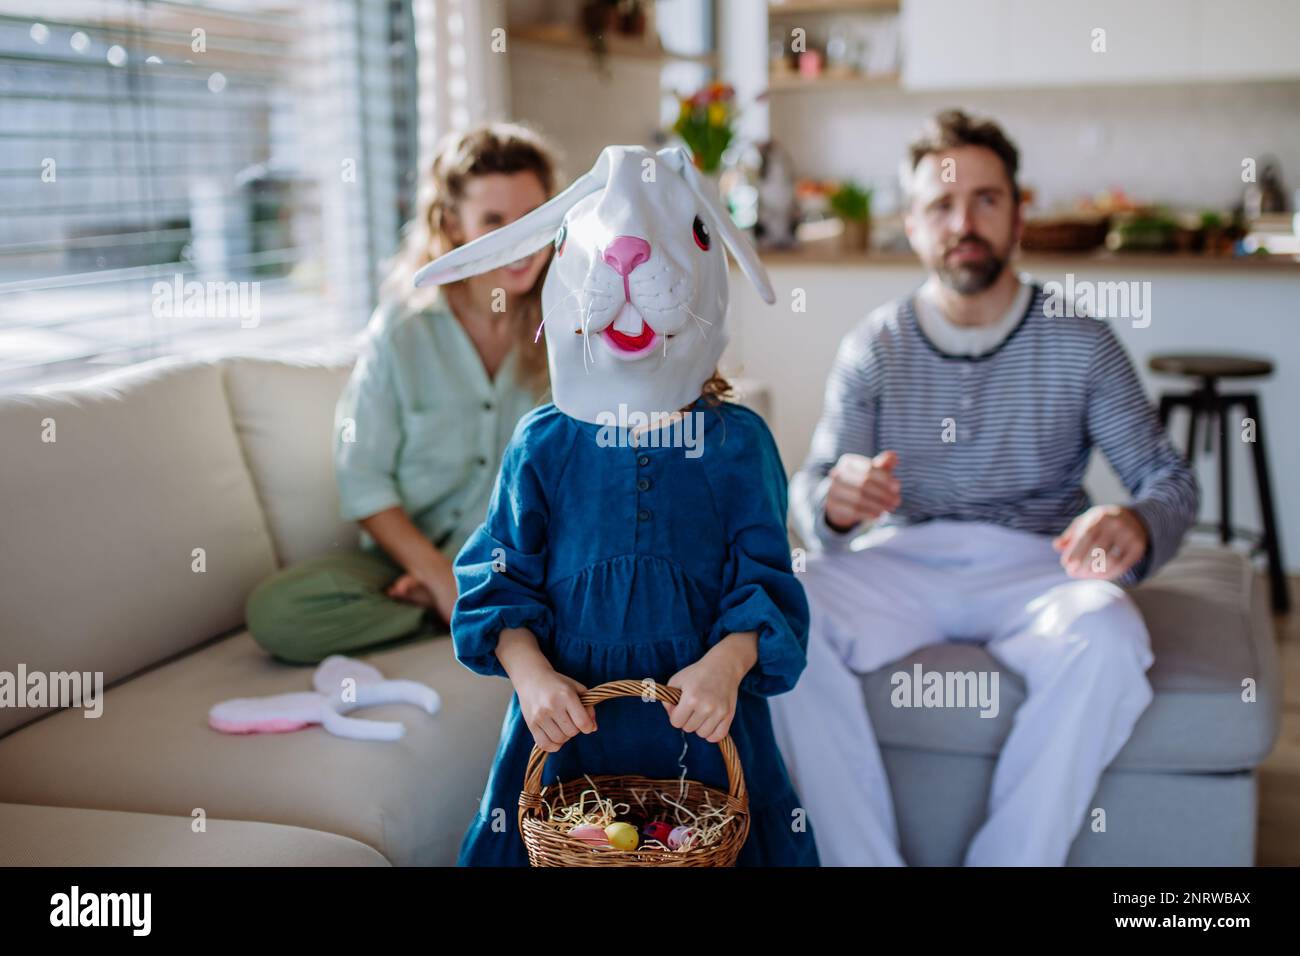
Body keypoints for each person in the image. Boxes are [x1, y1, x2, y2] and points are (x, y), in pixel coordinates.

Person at [768, 109, 1199, 866]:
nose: (963, 220)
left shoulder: (1082, 341)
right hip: (898, 562)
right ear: (911, 223)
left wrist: (1136, 522)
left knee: (1108, 635)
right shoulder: (874, 345)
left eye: (985, 199)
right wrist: (831, 504)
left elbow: (1168, 479)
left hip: (1040, 566)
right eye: (940, 203)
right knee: (778, 614)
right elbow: (814, 487)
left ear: (1018, 212)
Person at [244, 123, 561, 664]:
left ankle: (470, 611)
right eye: (493, 221)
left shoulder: (567, 324)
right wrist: (438, 576)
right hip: (416, 557)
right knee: (280, 611)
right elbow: (363, 479)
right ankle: (464, 611)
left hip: (528, 560)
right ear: (452, 225)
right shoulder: (404, 329)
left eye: (531, 219)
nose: (519, 240)